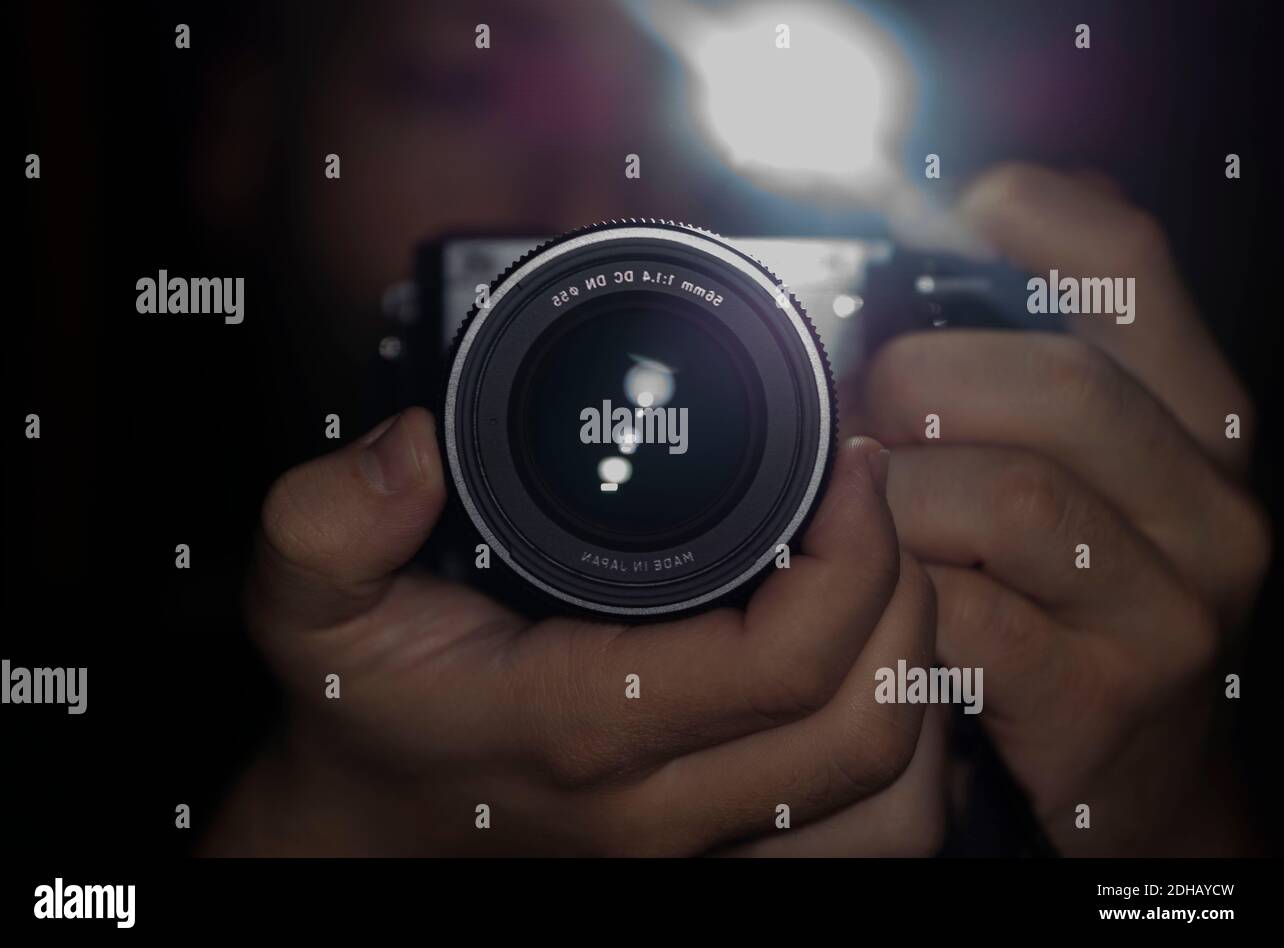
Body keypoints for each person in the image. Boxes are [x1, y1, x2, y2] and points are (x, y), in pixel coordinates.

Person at [193, 1, 1270, 855]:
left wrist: (1157, 818)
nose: (591, 217)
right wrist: (311, 836)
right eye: (464, 85)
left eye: (678, 107)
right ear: (244, 130)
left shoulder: (949, 541)